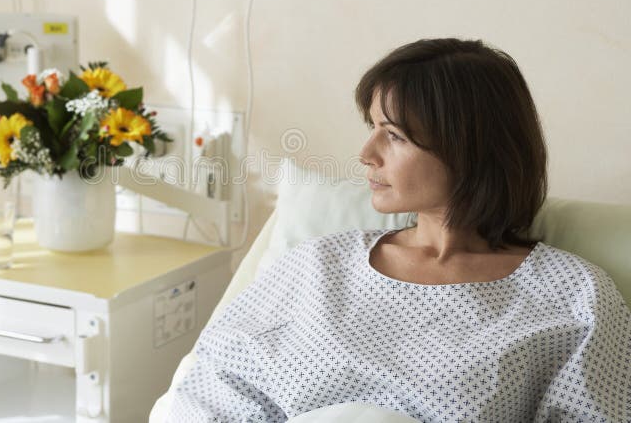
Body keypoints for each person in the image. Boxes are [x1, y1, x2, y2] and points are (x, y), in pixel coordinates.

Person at [166, 38, 631, 422]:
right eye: (372, 127)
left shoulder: (573, 295)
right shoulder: (317, 265)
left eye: (394, 135)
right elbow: (210, 390)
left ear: (468, 148)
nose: (367, 152)